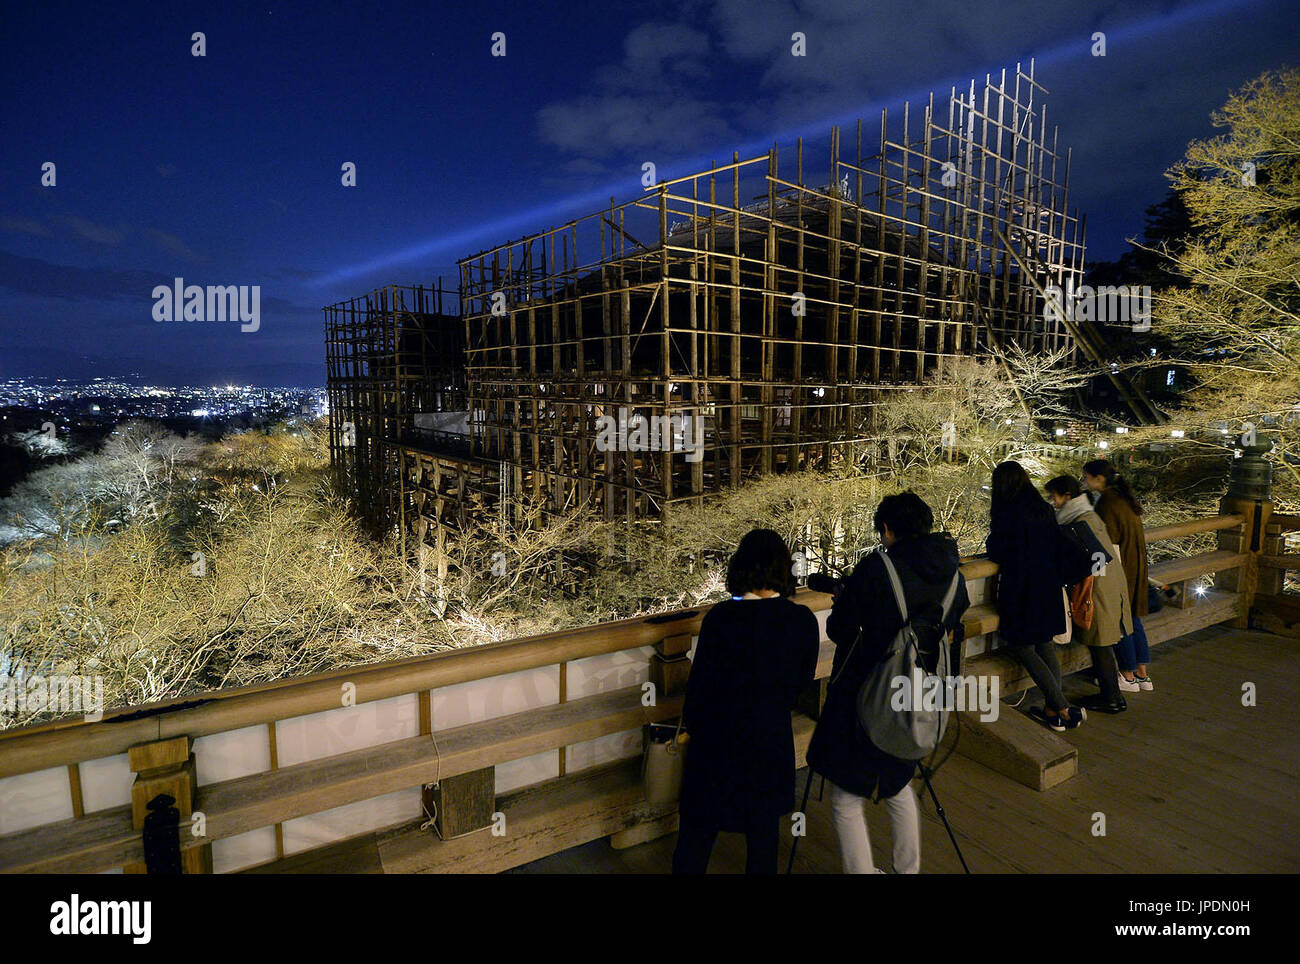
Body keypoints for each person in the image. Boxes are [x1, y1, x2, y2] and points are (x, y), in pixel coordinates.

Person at [806, 491, 970, 874]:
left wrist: (843, 602)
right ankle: (907, 870)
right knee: (899, 782)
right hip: (924, 688)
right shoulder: (952, 573)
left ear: (886, 529)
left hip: (869, 692)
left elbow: (841, 629)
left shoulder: (878, 567)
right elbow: (952, 616)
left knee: (847, 796)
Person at [673, 528, 820, 874]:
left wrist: (691, 729)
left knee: (696, 836)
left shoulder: (720, 618)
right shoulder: (801, 620)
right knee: (763, 839)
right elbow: (800, 684)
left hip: (716, 742)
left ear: (741, 567)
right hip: (769, 740)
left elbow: (700, 688)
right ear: (784, 570)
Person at [986, 461, 1086, 731]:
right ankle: (1053, 711)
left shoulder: (1009, 512)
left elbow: (997, 551)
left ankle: (1063, 708)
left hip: (1021, 587)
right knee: (1044, 644)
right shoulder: (1042, 509)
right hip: (1048, 584)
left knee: (1021, 645)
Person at [1044, 475, 1133, 715]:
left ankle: (1112, 698)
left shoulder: (1082, 520)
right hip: (1107, 584)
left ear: (1067, 496)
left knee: (1100, 642)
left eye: (1055, 496)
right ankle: (1111, 694)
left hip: (1098, 588)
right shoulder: (1089, 515)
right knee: (1101, 642)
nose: (1053, 501)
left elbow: (1093, 560)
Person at [1083, 459, 1153, 694]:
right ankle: (1142, 674)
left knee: (1120, 621)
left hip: (1120, 570)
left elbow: (1107, 544)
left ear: (1098, 479)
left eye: (1087, 477)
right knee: (1133, 619)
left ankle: (1127, 675)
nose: (1085, 481)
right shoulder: (1123, 499)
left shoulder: (1107, 503)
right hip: (1135, 565)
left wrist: (1100, 576)